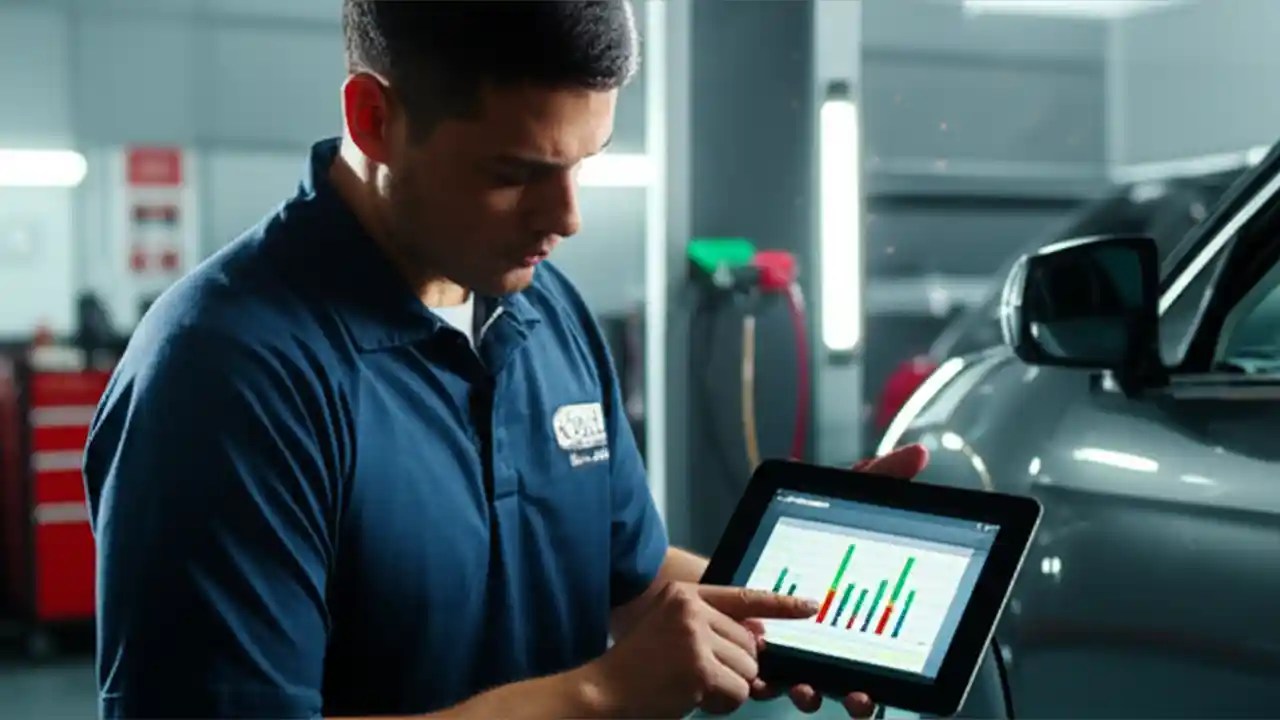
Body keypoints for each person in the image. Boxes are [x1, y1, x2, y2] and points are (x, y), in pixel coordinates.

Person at [83, 2, 929, 718]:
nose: (567, 218)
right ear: (374, 120)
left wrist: (802, 600)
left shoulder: (542, 309)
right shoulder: (224, 377)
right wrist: (599, 696)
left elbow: (627, 579)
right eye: (515, 171)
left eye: (583, 164)